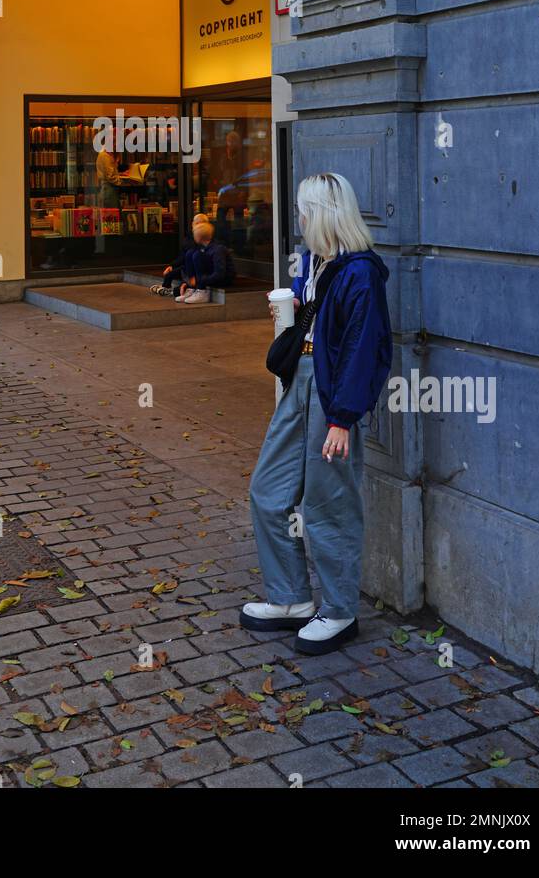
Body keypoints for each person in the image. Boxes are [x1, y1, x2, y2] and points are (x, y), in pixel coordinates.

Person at [241, 172, 392, 654]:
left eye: (305, 210)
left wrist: (342, 418)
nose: (299, 218)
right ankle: (290, 599)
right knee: (267, 491)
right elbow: (318, 333)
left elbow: (362, 348)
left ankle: (339, 611)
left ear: (324, 214)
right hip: (298, 386)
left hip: (330, 396)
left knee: (330, 507)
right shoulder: (312, 263)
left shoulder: (360, 272)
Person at [174, 218, 235, 305]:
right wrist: (188, 282)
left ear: (198, 236)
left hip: (223, 278)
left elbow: (219, 273)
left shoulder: (217, 249)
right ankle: (193, 289)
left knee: (196, 255)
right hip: (209, 276)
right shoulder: (202, 248)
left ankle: (202, 291)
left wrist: (199, 281)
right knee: (190, 253)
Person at [150, 212, 209, 297]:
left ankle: (171, 292)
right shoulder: (189, 237)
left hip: (194, 271)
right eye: (196, 223)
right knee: (169, 275)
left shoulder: (201, 241)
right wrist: (172, 265)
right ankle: (165, 287)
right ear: (192, 224)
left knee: (183, 284)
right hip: (186, 267)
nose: (197, 226)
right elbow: (183, 255)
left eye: (200, 224)